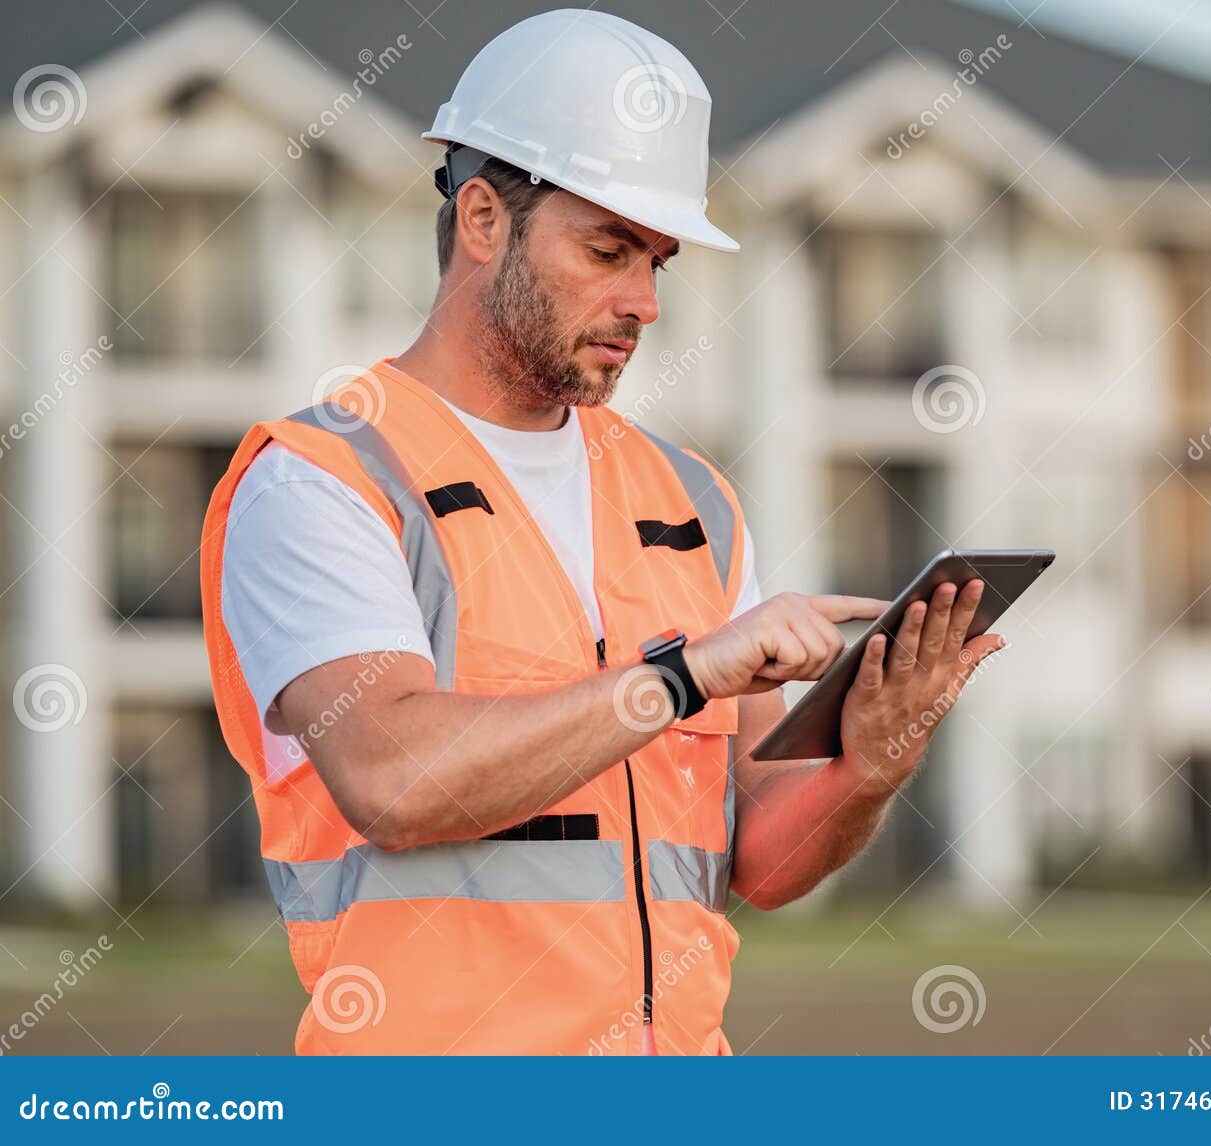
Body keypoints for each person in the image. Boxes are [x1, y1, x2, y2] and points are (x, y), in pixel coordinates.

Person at [199, 8, 1003, 1055]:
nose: (644, 301)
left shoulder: (690, 502)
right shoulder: (324, 480)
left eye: (657, 261)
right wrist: (679, 676)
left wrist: (868, 766)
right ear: (482, 219)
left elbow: (758, 858)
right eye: (608, 249)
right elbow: (391, 781)